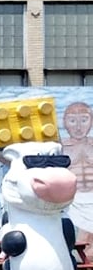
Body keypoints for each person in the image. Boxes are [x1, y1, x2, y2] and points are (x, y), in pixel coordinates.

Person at [61, 101, 93, 257]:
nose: (79, 127)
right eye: (73, 121)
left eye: (84, 120)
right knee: (82, 239)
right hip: (74, 201)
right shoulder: (59, 147)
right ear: (65, 123)